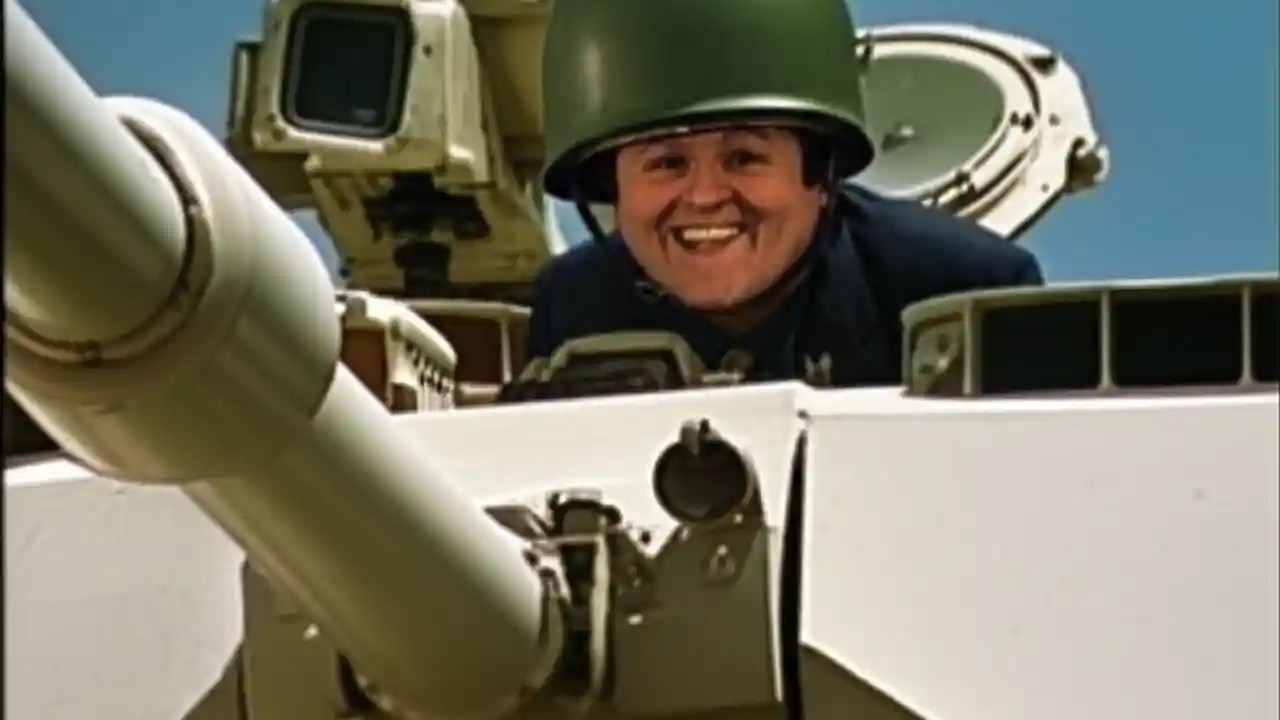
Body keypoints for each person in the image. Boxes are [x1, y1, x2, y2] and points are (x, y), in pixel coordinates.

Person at [527, 0, 1043, 387]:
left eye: (744, 158)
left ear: (823, 175)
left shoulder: (965, 293)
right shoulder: (574, 310)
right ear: (612, 190)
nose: (704, 195)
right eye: (667, 164)